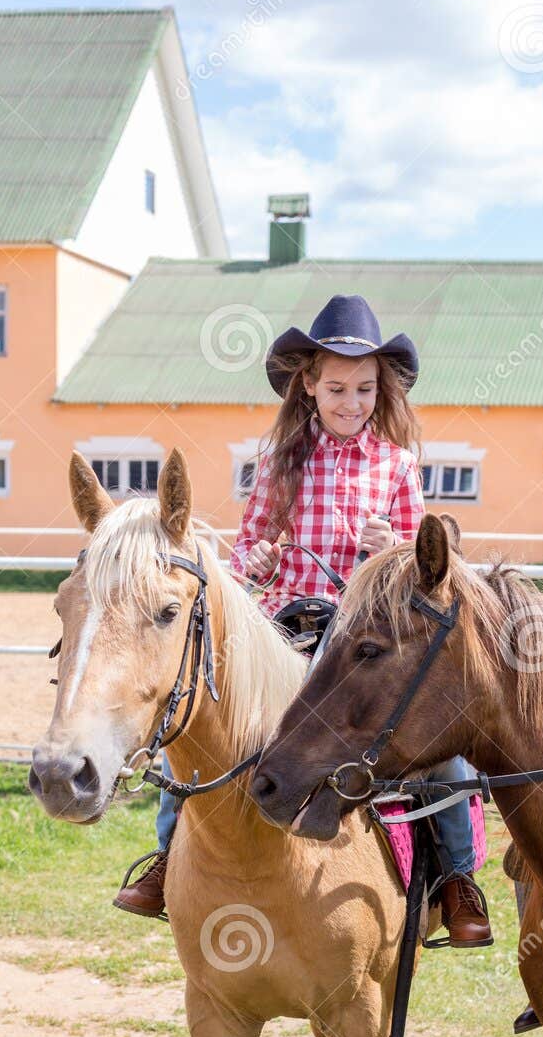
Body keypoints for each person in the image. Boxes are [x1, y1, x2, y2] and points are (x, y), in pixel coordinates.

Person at [115, 294, 491, 946]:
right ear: (309, 386)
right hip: (282, 624)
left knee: (443, 743)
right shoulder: (278, 462)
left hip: (362, 632)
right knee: (200, 716)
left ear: (382, 390)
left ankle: (457, 880)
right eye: (337, 387)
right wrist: (256, 559)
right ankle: (171, 854)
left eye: (365, 389)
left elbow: (420, 567)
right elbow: (249, 557)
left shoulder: (397, 466)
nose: (351, 401)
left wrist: (390, 552)